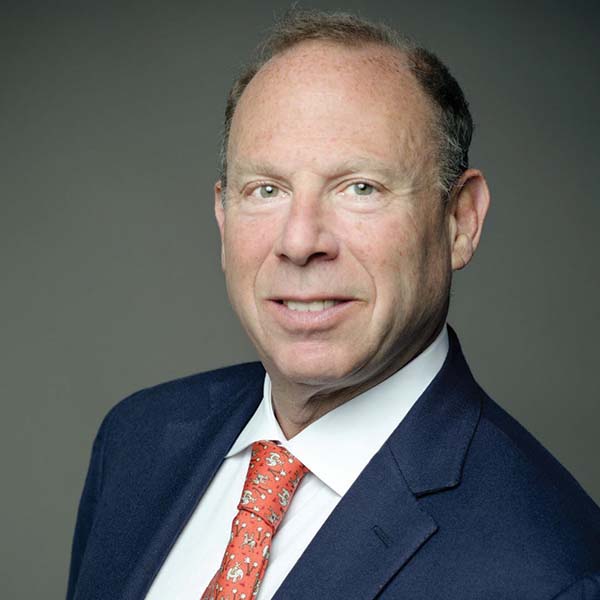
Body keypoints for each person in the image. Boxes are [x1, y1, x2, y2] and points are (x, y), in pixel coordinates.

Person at [66, 10, 600, 600]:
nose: (300, 242)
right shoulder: (137, 442)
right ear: (223, 216)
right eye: (266, 190)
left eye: (360, 188)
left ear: (460, 221)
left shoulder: (552, 575)